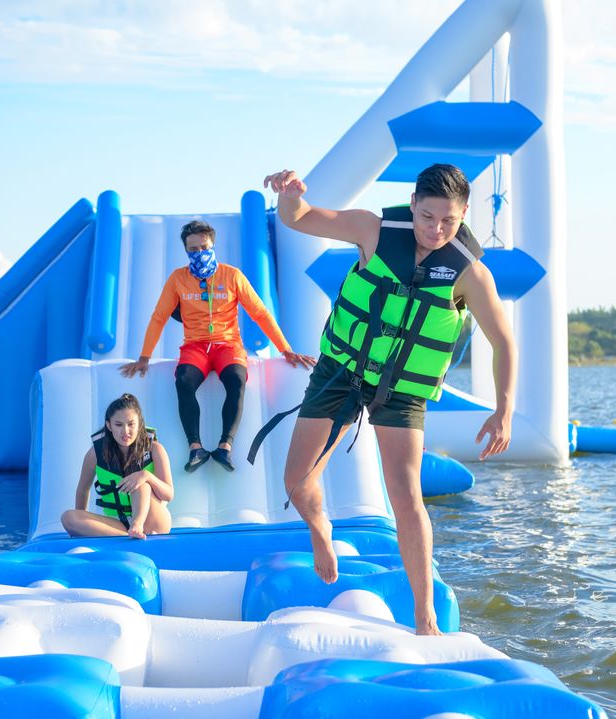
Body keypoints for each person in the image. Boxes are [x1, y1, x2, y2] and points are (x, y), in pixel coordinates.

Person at [259, 164, 517, 635]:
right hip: (343, 370)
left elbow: (503, 341)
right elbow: (299, 218)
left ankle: (425, 615)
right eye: (427, 217)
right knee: (296, 481)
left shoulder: (470, 275)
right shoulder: (371, 230)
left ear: (463, 215)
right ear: (412, 204)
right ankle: (320, 527)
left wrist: (503, 409)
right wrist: (289, 195)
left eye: (449, 221)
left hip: (403, 390)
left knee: (406, 494)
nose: (436, 230)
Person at [120, 220, 315, 473]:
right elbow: (159, 317)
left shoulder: (232, 275)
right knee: (183, 380)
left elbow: (260, 313)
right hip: (195, 347)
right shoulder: (178, 278)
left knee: (237, 379)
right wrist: (144, 357)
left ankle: (225, 447)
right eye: (193, 250)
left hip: (228, 345)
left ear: (213, 245)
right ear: (186, 251)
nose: (199, 253)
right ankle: (196, 448)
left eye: (204, 247)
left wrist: (285, 349)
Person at [60, 393, 173, 539]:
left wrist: (146, 476)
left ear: (139, 423)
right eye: (118, 425)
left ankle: (137, 526)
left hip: (153, 521)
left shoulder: (155, 449)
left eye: (131, 424)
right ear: (109, 425)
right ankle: (129, 535)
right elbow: (82, 490)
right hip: (119, 523)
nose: (125, 431)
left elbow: (168, 495)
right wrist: (81, 525)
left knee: (141, 483)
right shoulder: (95, 454)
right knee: (68, 518)